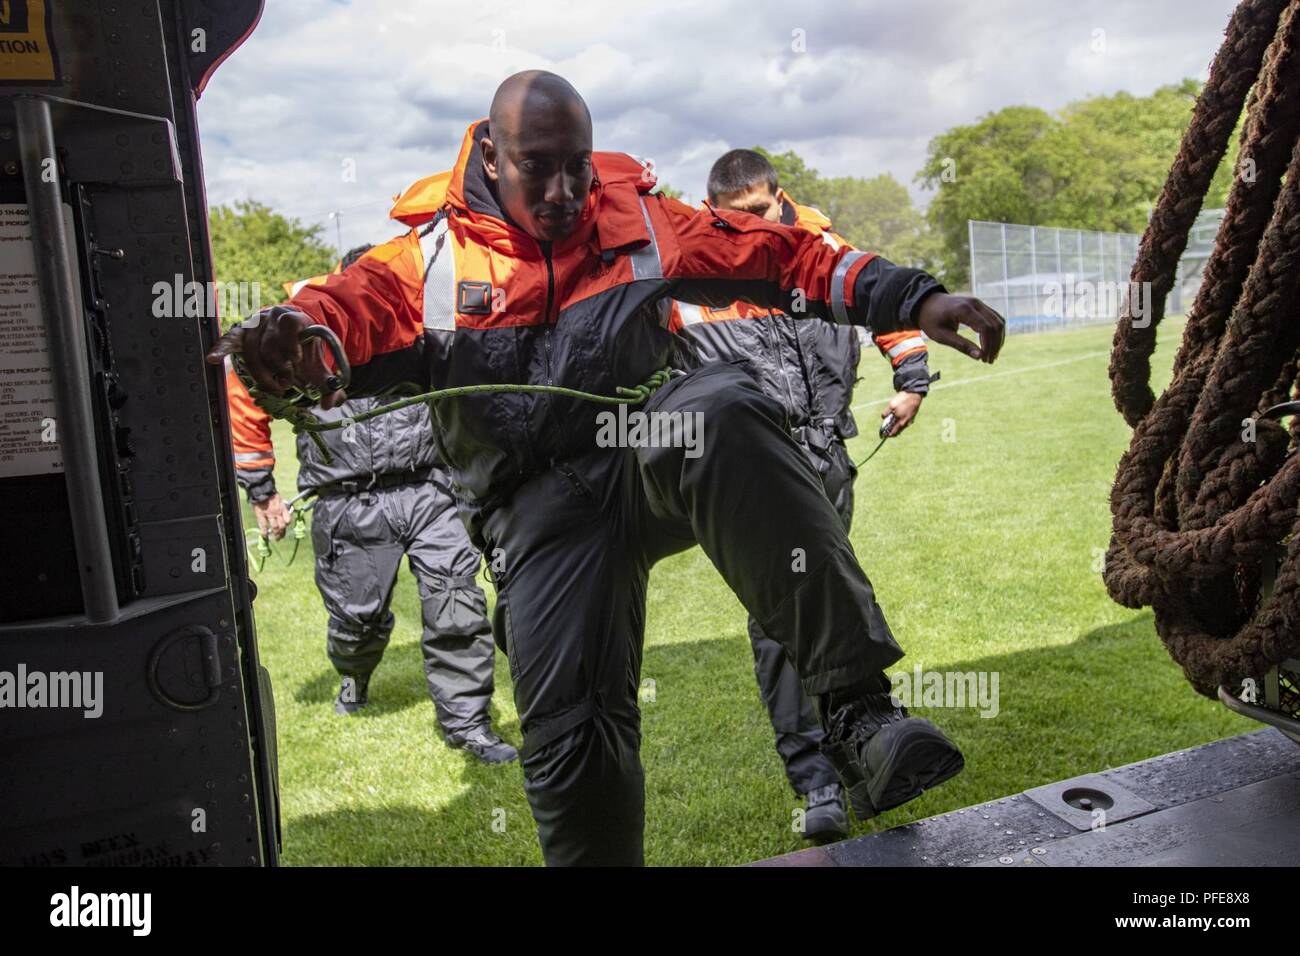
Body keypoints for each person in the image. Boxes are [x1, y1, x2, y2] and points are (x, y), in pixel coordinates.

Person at [208, 70, 1006, 866]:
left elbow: (782, 255)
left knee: (721, 408)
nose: (561, 190)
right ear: (491, 156)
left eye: (577, 164)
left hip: (650, 450)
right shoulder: (427, 267)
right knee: (572, 753)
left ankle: (860, 714)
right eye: (537, 164)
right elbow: (341, 304)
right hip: (539, 519)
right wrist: (290, 335)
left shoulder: (643, 224)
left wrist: (912, 301)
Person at [666, 148, 935, 842]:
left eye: (755, 216)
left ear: (779, 198)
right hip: (759, 466)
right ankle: (815, 780)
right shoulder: (692, 270)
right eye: (730, 220)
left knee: (834, 596)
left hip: (828, 449)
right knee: (782, 620)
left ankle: (866, 754)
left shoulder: (823, 247)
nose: (744, 231)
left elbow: (879, 304)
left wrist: (911, 378)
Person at [226, 245, 517, 764]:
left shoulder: (421, 322)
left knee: (456, 604)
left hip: (430, 489)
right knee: (357, 617)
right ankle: (354, 674)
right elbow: (242, 394)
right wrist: (262, 489)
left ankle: (468, 723)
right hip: (347, 500)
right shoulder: (306, 338)